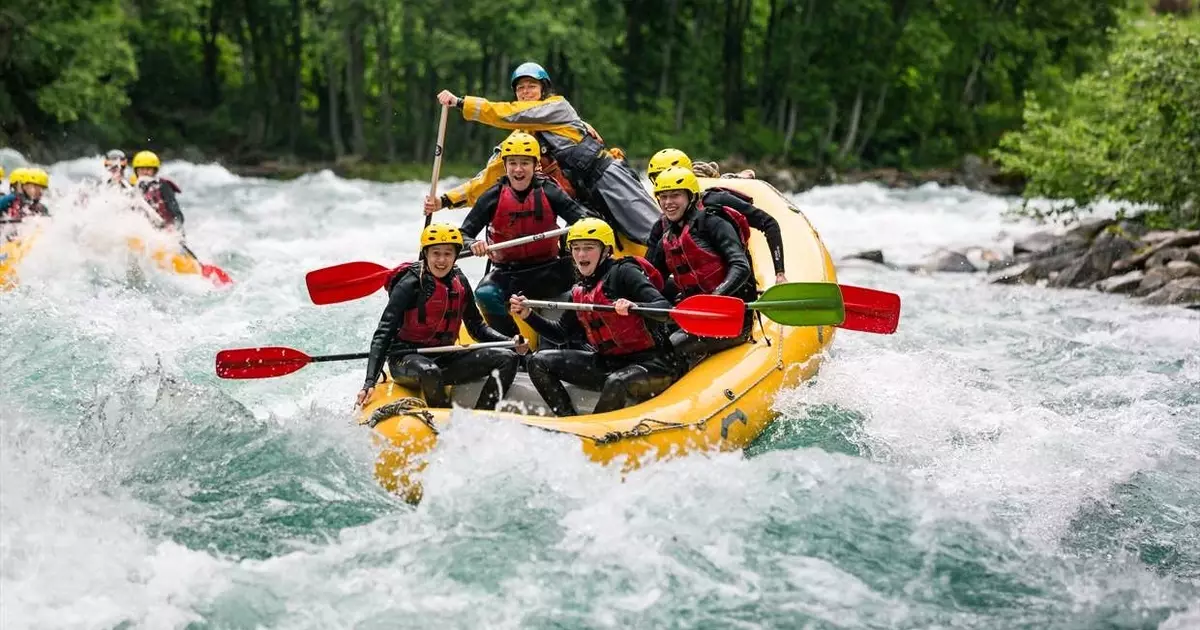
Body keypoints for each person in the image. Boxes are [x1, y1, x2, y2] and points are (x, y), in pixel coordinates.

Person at [428, 62, 660, 244]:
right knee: (598, 244)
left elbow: (506, 114)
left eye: (531, 86)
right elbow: (488, 178)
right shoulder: (520, 141)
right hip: (581, 198)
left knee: (651, 229)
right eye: (521, 88)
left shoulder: (557, 107)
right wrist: (446, 200)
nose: (526, 92)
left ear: (544, 90)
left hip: (606, 177)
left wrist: (461, 103)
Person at [509, 218, 681, 417]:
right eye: (576, 248)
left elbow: (666, 310)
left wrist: (637, 306)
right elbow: (560, 334)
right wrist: (528, 315)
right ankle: (568, 421)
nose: (581, 254)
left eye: (589, 248)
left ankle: (595, 436)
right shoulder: (580, 289)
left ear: (606, 250)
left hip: (653, 364)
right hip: (607, 362)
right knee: (538, 361)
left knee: (617, 382)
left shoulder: (625, 272)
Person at [356, 224, 526, 410]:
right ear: (426, 254)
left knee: (507, 358)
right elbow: (383, 333)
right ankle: (443, 421)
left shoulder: (459, 281)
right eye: (436, 253)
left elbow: (477, 327)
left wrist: (509, 341)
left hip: (444, 355)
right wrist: (369, 381)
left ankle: (483, 416)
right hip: (406, 358)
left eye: (448, 254)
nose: (441, 260)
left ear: (456, 256)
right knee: (430, 371)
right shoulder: (410, 283)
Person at [458, 131, 590, 337]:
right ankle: (514, 348)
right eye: (513, 163)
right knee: (485, 293)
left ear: (536, 165)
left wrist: (576, 237)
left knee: (580, 288)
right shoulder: (492, 196)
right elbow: (462, 235)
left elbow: (584, 221)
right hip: (508, 274)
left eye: (524, 163)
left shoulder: (550, 191)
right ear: (505, 165)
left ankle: (566, 343)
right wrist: (472, 243)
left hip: (550, 271)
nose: (518, 170)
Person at [649, 167, 756, 366]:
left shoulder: (713, 223)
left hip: (731, 319)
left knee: (669, 347)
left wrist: (715, 297)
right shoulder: (667, 238)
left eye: (675, 196)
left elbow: (740, 266)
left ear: (690, 197)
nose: (668, 203)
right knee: (651, 340)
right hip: (695, 316)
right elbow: (651, 281)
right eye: (663, 197)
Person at [647, 148, 786, 284]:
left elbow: (768, 223)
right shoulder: (664, 225)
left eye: (675, 193)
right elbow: (650, 270)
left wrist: (780, 274)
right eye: (658, 179)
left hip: (732, 286)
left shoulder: (716, 202)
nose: (666, 182)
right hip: (694, 293)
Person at [131, 151, 185, 232]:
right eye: (141, 169)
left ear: (155, 171)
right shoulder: (133, 187)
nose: (145, 172)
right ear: (136, 171)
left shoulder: (163, 185)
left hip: (166, 228)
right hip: (145, 229)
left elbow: (175, 210)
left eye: (149, 169)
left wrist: (174, 225)